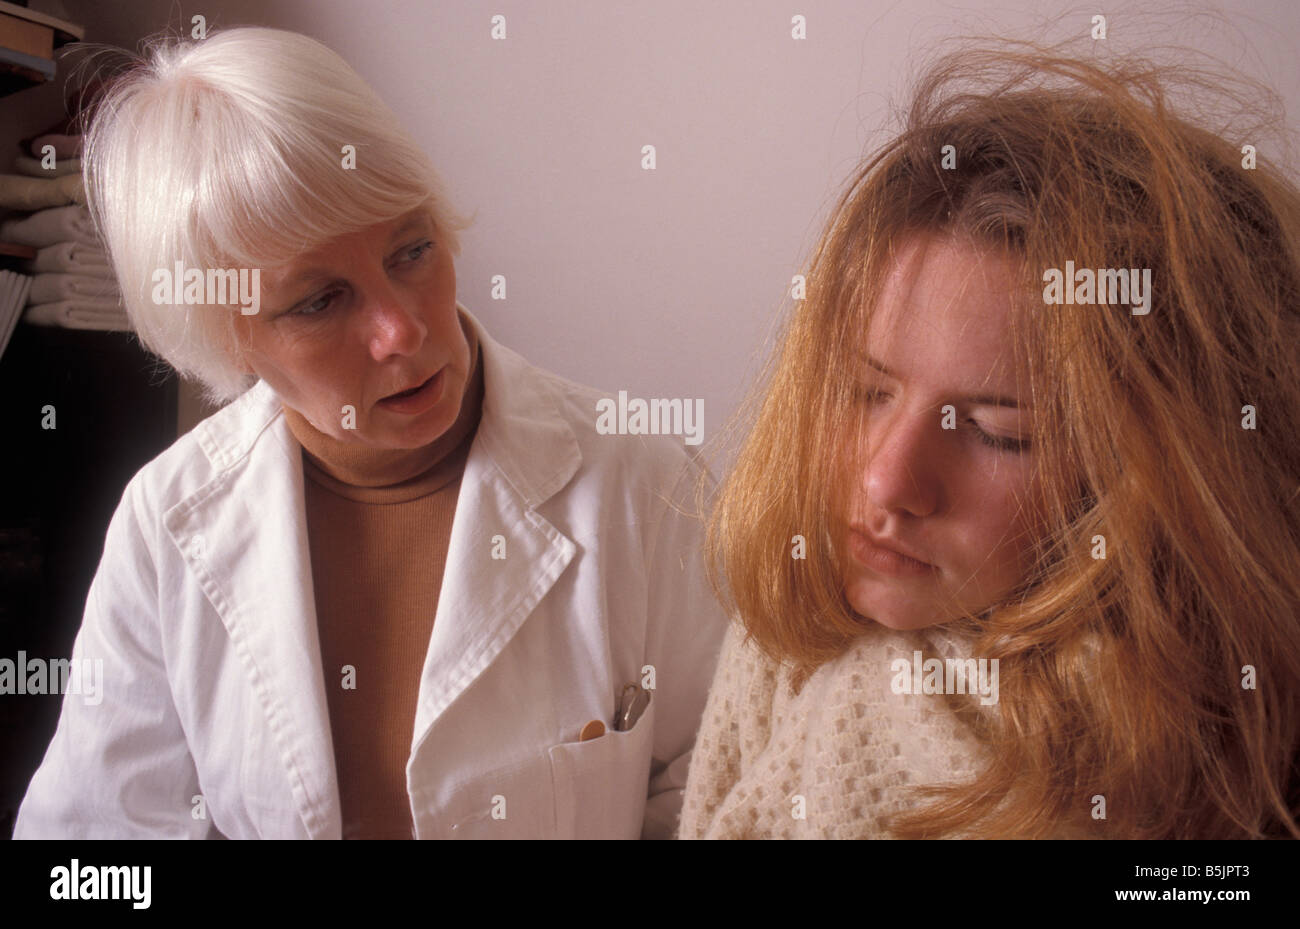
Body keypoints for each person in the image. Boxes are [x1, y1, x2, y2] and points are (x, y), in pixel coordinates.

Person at [14, 26, 727, 839]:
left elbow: (733, 795)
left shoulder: (646, 481)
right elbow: (90, 851)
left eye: (412, 249)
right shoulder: (165, 525)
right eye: (319, 301)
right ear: (227, 339)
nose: (401, 330)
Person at [680, 46, 1300, 839]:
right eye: (865, 392)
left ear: (1163, 483)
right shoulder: (781, 641)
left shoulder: (1170, 775)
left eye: (998, 434)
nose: (886, 481)